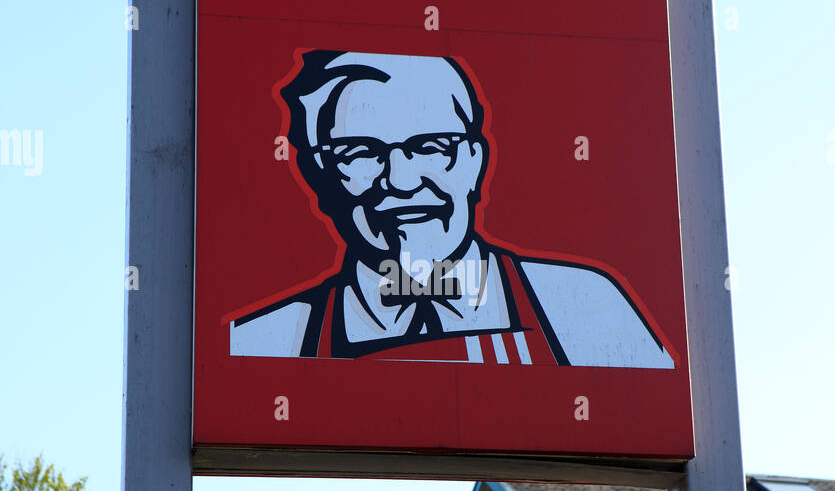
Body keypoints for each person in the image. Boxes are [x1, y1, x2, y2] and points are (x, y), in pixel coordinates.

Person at [229, 50, 675, 367]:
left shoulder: (581, 308)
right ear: (319, 175)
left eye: (430, 147)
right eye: (361, 152)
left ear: (475, 162)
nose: (401, 181)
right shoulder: (266, 342)